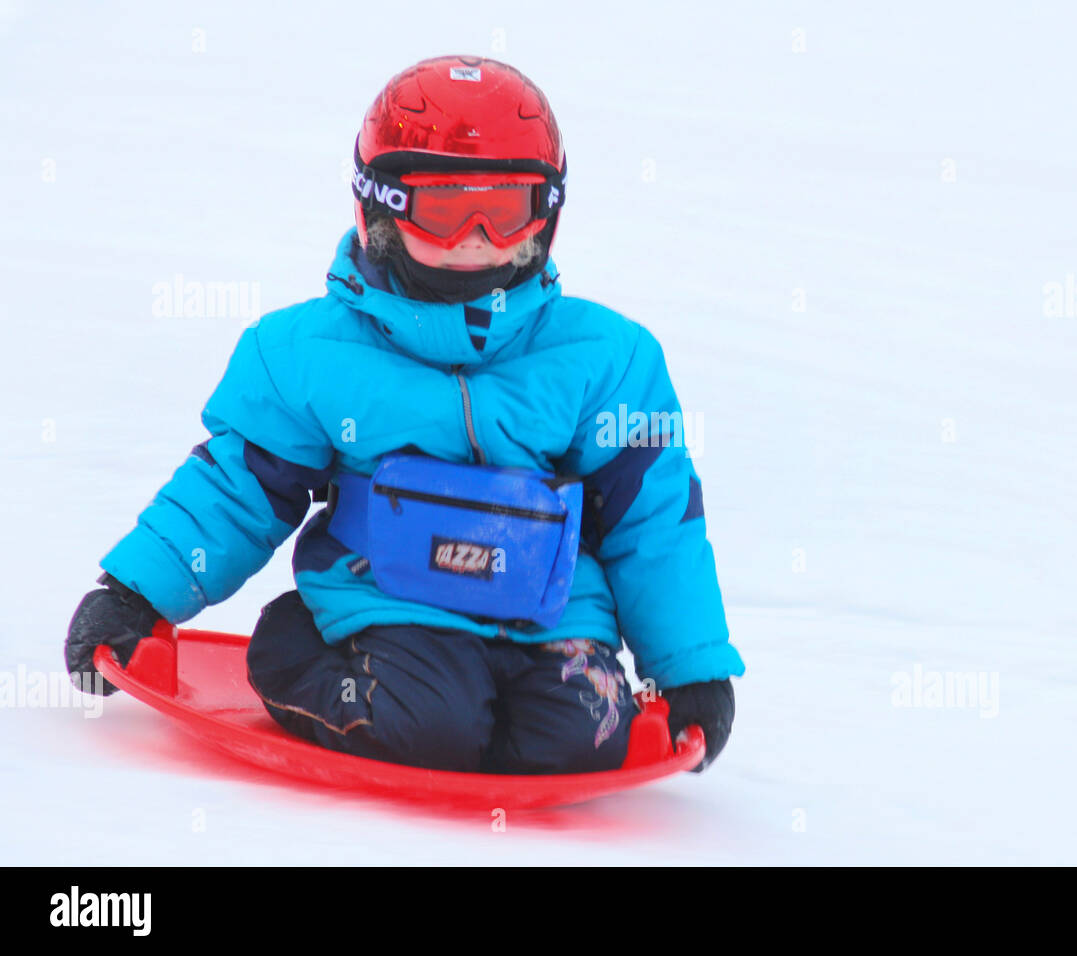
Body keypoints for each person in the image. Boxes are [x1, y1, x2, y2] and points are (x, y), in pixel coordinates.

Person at [65, 55, 743, 775]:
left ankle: (509, 701)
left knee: (585, 740)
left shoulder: (608, 359)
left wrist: (689, 666)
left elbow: (654, 519)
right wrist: (136, 596)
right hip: (387, 599)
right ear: (381, 207)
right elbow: (237, 490)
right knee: (431, 727)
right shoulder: (308, 353)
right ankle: (294, 646)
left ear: (545, 217)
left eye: (504, 209)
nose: (477, 237)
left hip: (554, 611)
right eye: (446, 210)